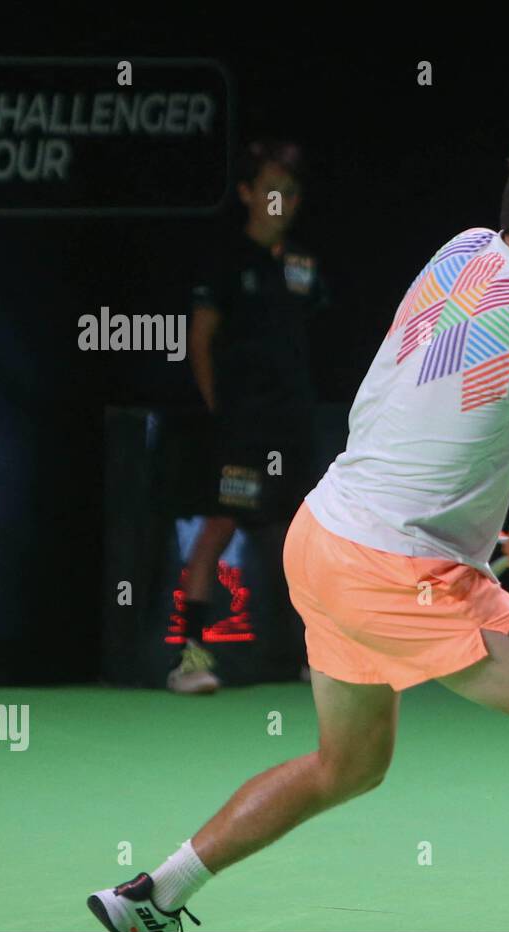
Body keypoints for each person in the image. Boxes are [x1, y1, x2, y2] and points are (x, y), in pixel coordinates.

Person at [90, 133, 509, 932]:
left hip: (321, 537)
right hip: (395, 565)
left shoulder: (463, 253)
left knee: (347, 765)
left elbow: (450, 398)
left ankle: (153, 894)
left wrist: (506, 511)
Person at [167, 140, 326, 694]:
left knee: (301, 536)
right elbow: (200, 342)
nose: (282, 200)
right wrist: (224, 416)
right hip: (242, 430)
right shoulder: (224, 261)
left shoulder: (304, 266)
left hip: (294, 427)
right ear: (247, 194)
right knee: (220, 525)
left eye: (291, 192)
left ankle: (315, 657)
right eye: (272, 190)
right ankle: (191, 658)